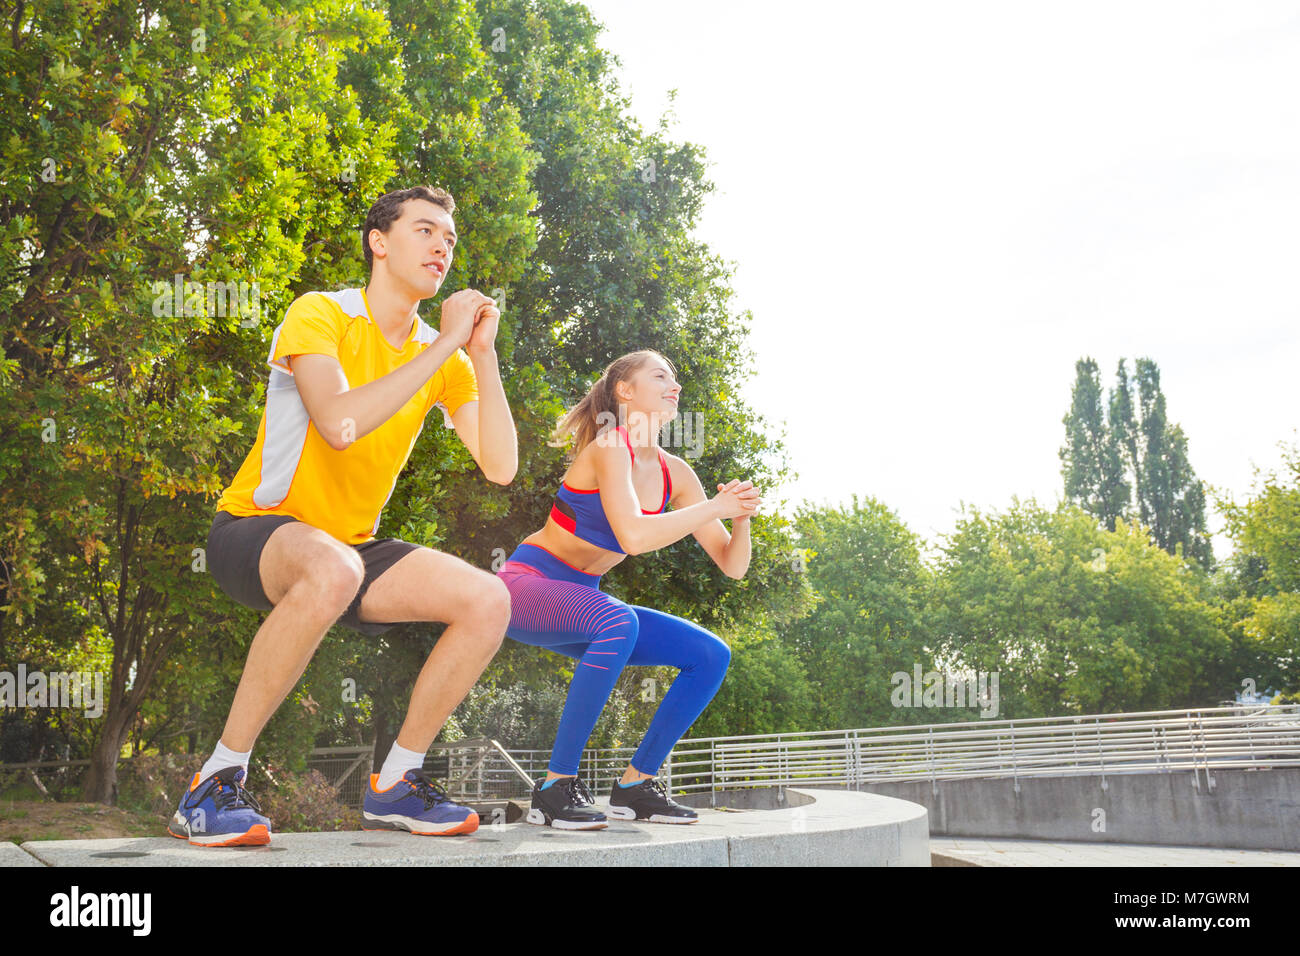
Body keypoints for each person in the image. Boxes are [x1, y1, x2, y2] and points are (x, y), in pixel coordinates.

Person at [169, 185, 517, 846]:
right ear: (379, 243)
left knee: (488, 600)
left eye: (449, 237)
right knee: (331, 568)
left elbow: (499, 464)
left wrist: (481, 353)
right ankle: (213, 784)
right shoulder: (321, 313)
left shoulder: (442, 356)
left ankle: (396, 786)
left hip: (351, 548)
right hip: (256, 531)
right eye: (424, 230)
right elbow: (339, 424)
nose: (442, 245)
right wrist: (443, 347)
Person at [496, 350, 760, 829]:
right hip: (526, 588)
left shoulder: (675, 472)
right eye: (660, 375)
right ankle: (555, 788)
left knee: (710, 654)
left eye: (676, 378)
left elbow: (732, 566)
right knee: (619, 619)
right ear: (625, 391)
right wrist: (713, 508)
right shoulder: (608, 445)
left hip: (584, 602)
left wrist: (738, 520)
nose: (674, 384)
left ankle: (635, 785)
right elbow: (635, 536)